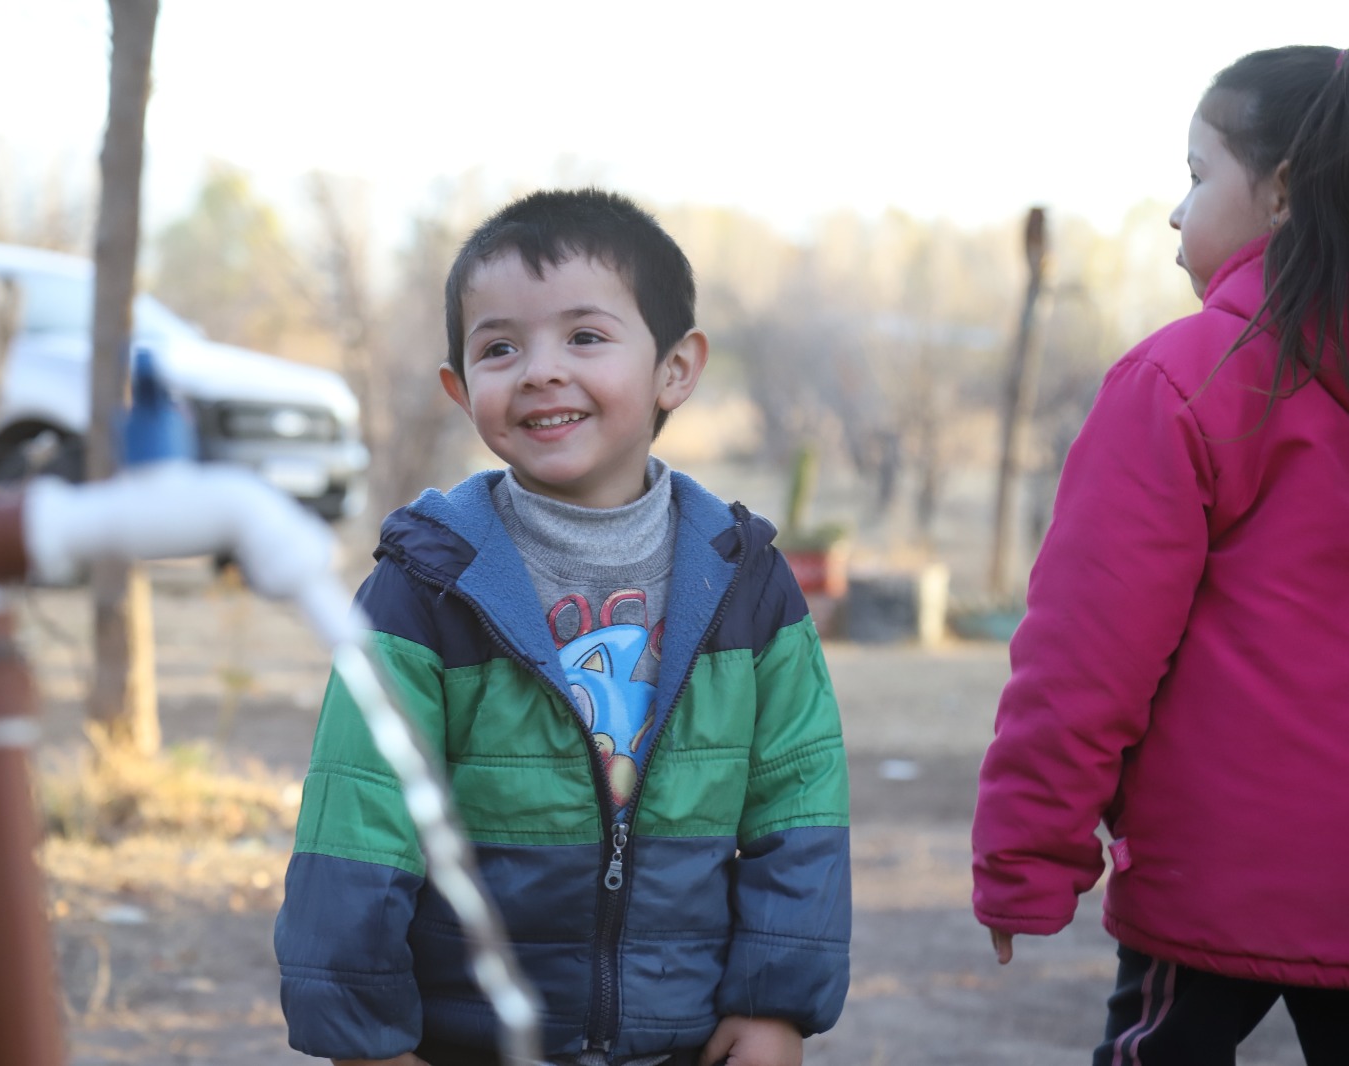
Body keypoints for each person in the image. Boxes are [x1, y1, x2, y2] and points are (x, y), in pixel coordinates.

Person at [274, 189, 850, 1066]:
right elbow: (357, 822)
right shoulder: (425, 588)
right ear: (461, 389)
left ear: (675, 369)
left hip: (683, 1041)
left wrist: (775, 1007)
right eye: (500, 346)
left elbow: (798, 807)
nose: (541, 369)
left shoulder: (745, 581)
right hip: (466, 1041)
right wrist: (368, 1041)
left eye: (584, 336)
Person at [972, 45, 1349, 1065]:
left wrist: (1024, 853)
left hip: (1222, 878)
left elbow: (1085, 655)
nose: (1177, 213)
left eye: (1194, 174)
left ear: (1277, 191)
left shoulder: (1184, 382)